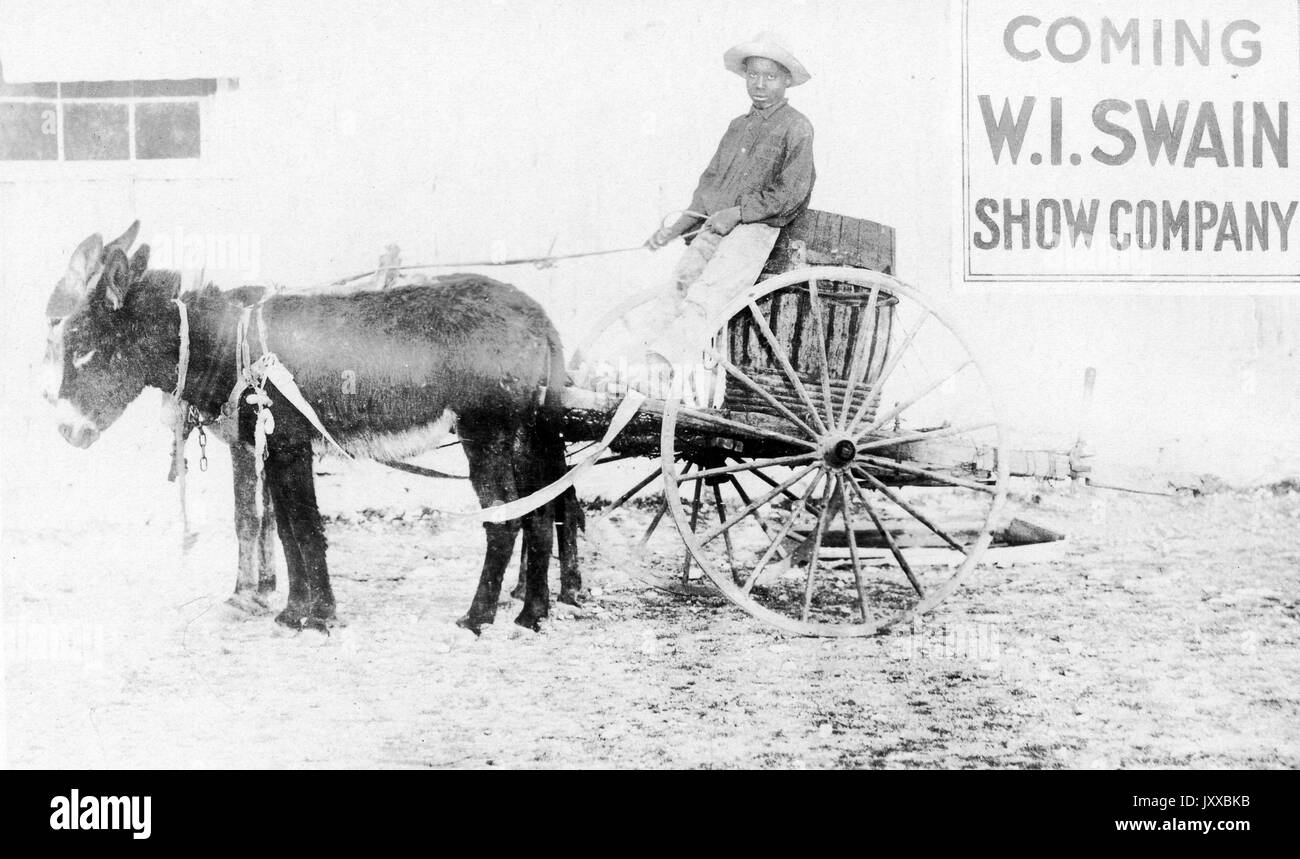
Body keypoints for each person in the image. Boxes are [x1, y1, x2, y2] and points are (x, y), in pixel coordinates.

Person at [579, 32, 815, 402]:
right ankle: (631, 364)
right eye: (753, 75)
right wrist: (674, 231)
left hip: (756, 232)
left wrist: (738, 213)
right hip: (714, 227)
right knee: (678, 287)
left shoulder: (796, 127)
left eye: (770, 77)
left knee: (708, 295)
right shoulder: (737, 126)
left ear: (787, 81)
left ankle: (659, 368)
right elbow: (709, 188)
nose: (760, 84)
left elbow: (792, 193)